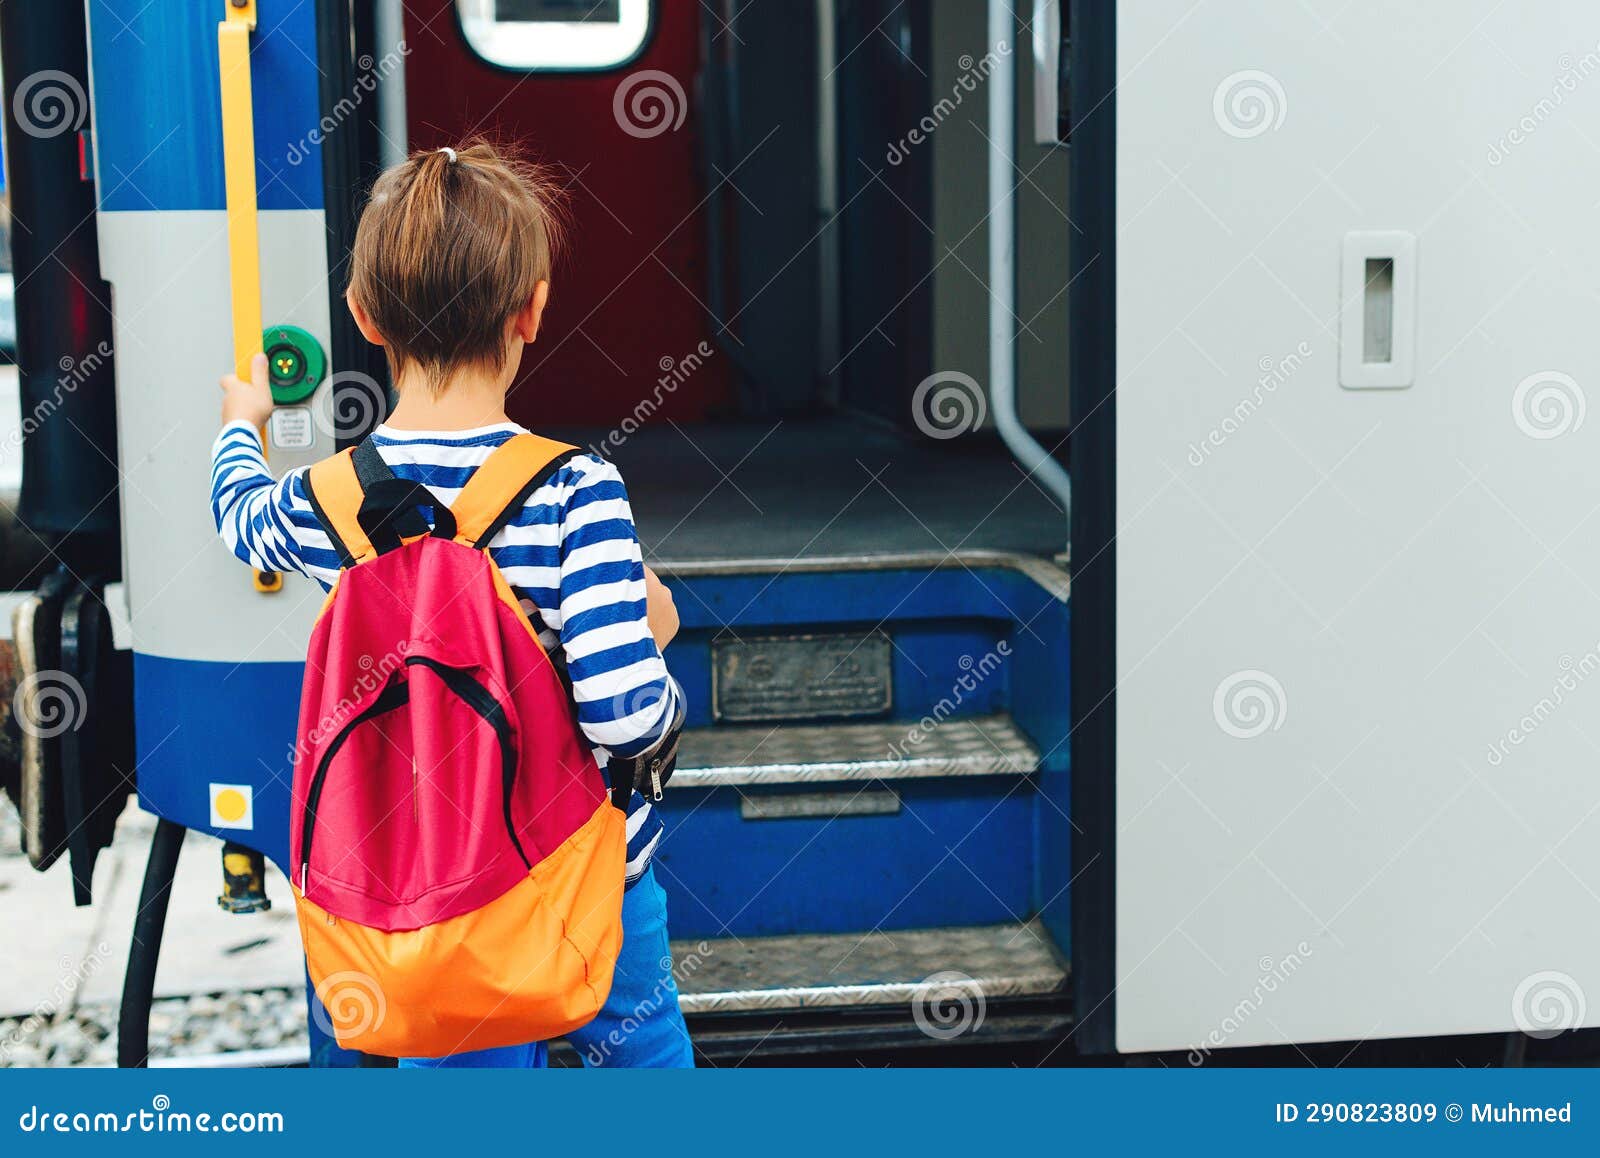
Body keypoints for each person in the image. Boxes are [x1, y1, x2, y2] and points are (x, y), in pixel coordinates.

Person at [209, 142, 694, 1068]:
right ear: (534, 308)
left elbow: (239, 519)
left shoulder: (326, 498)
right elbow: (629, 720)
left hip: (432, 897)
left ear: (363, 318)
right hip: (585, 886)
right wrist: (659, 638)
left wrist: (246, 419)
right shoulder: (576, 490)